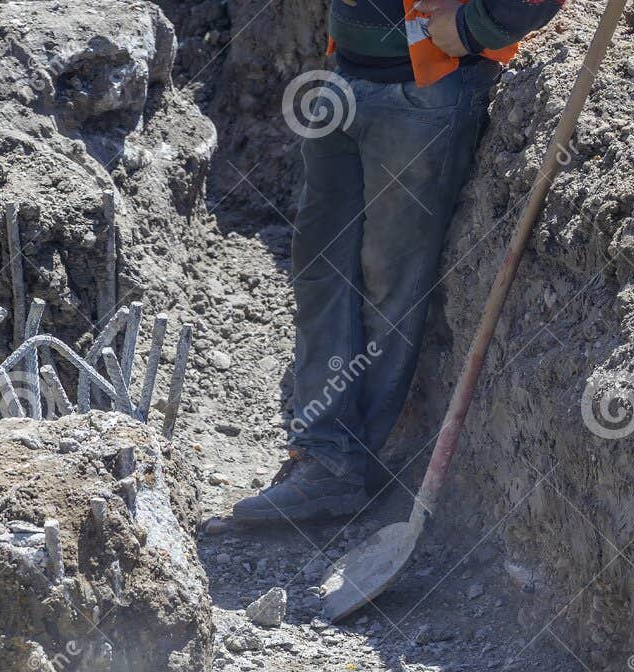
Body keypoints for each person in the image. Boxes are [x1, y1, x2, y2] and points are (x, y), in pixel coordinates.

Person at [233, 0, 565, 525]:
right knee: (322, 270)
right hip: (346, 76)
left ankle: (343, 467)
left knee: (390, 280)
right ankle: (321, 450)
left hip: (426, 90)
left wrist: (477, 26)